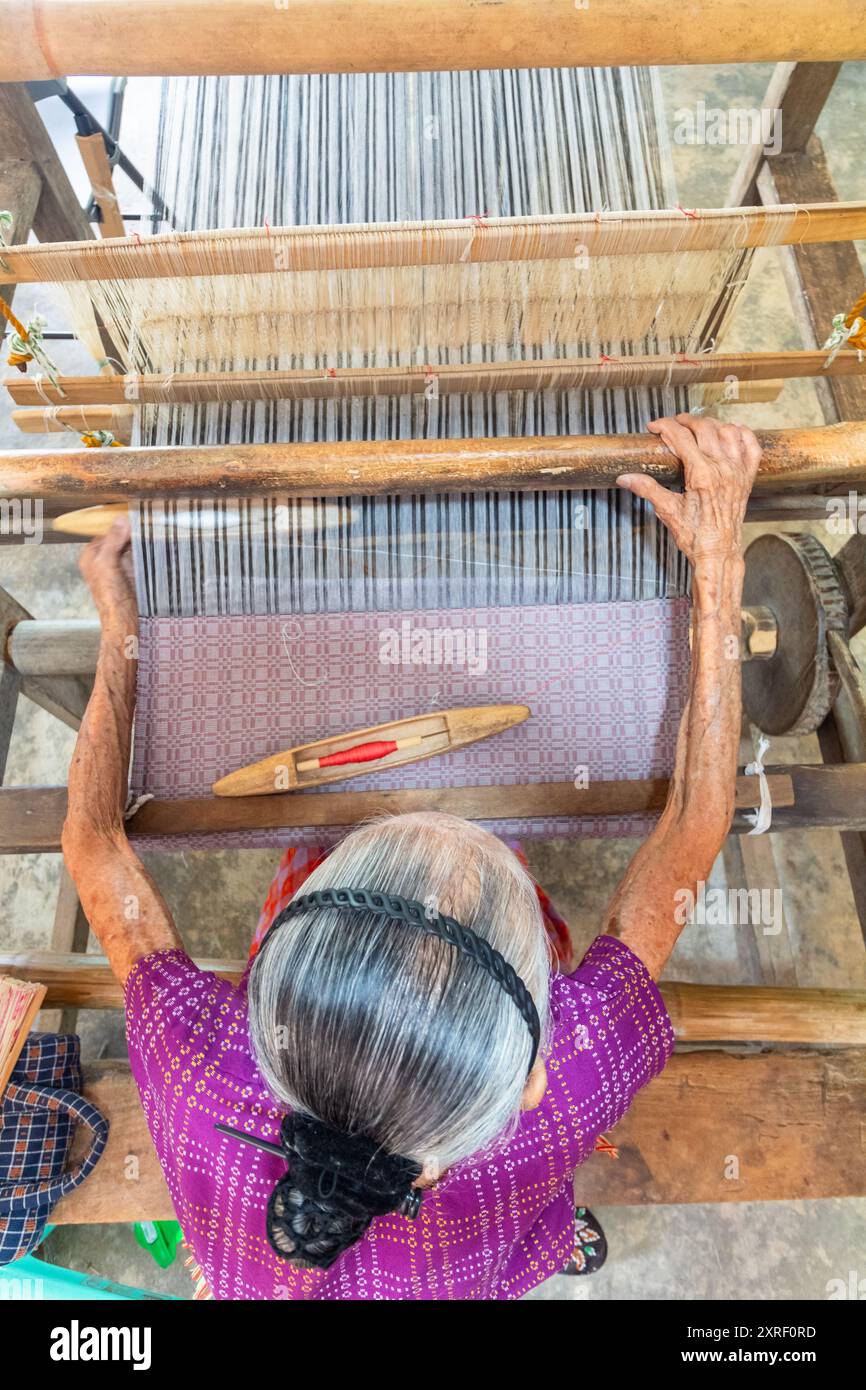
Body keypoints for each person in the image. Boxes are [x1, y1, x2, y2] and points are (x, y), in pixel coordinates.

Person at [62, 414, 761, 1299]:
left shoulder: (200, 1076)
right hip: (469, 1264)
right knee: (527, 1219)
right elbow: (692, 836)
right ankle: (549, 1240)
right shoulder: (563, 1105)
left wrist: (120, 628)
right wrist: (719, 572)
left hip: (258, 1270)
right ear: (531, 1080)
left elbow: (91, 846)